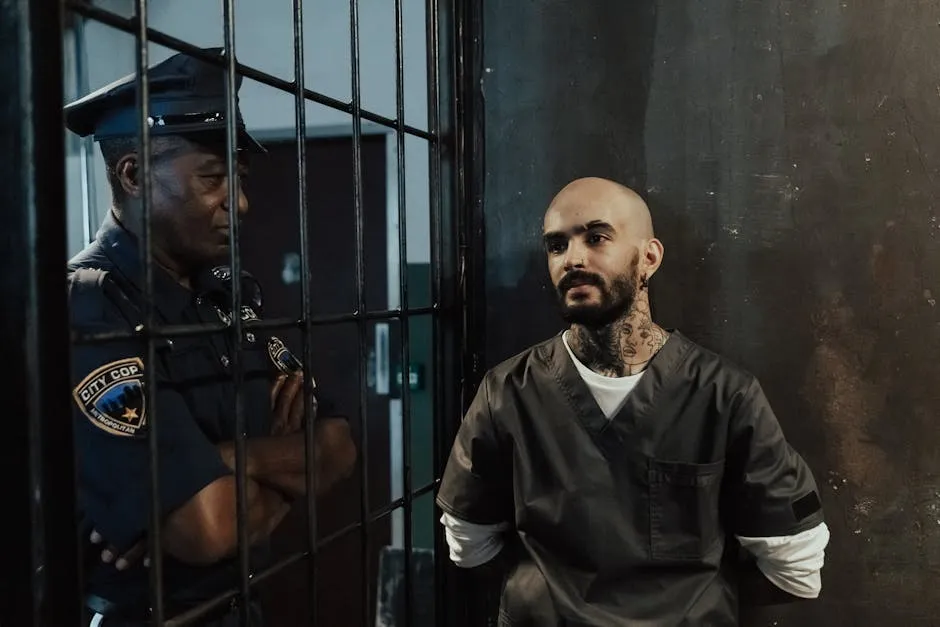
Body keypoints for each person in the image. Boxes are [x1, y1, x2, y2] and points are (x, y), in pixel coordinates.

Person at [436, 177, 830, 626]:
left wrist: (694, 606)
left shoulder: (723, 395)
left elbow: (796, 567)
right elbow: (468, 545)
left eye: (597, 237)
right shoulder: (508, 393)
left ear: (649, 257)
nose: (574, 258)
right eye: (557, 245)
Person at [64, 48, 357, 626]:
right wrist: (285, 464)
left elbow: (339, 446)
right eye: (212, 179)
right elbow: (210, 528)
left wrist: (221, 460)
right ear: (133, 176)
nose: (241, 204)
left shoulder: (226, 293)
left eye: (239, 179)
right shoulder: (91, 306)